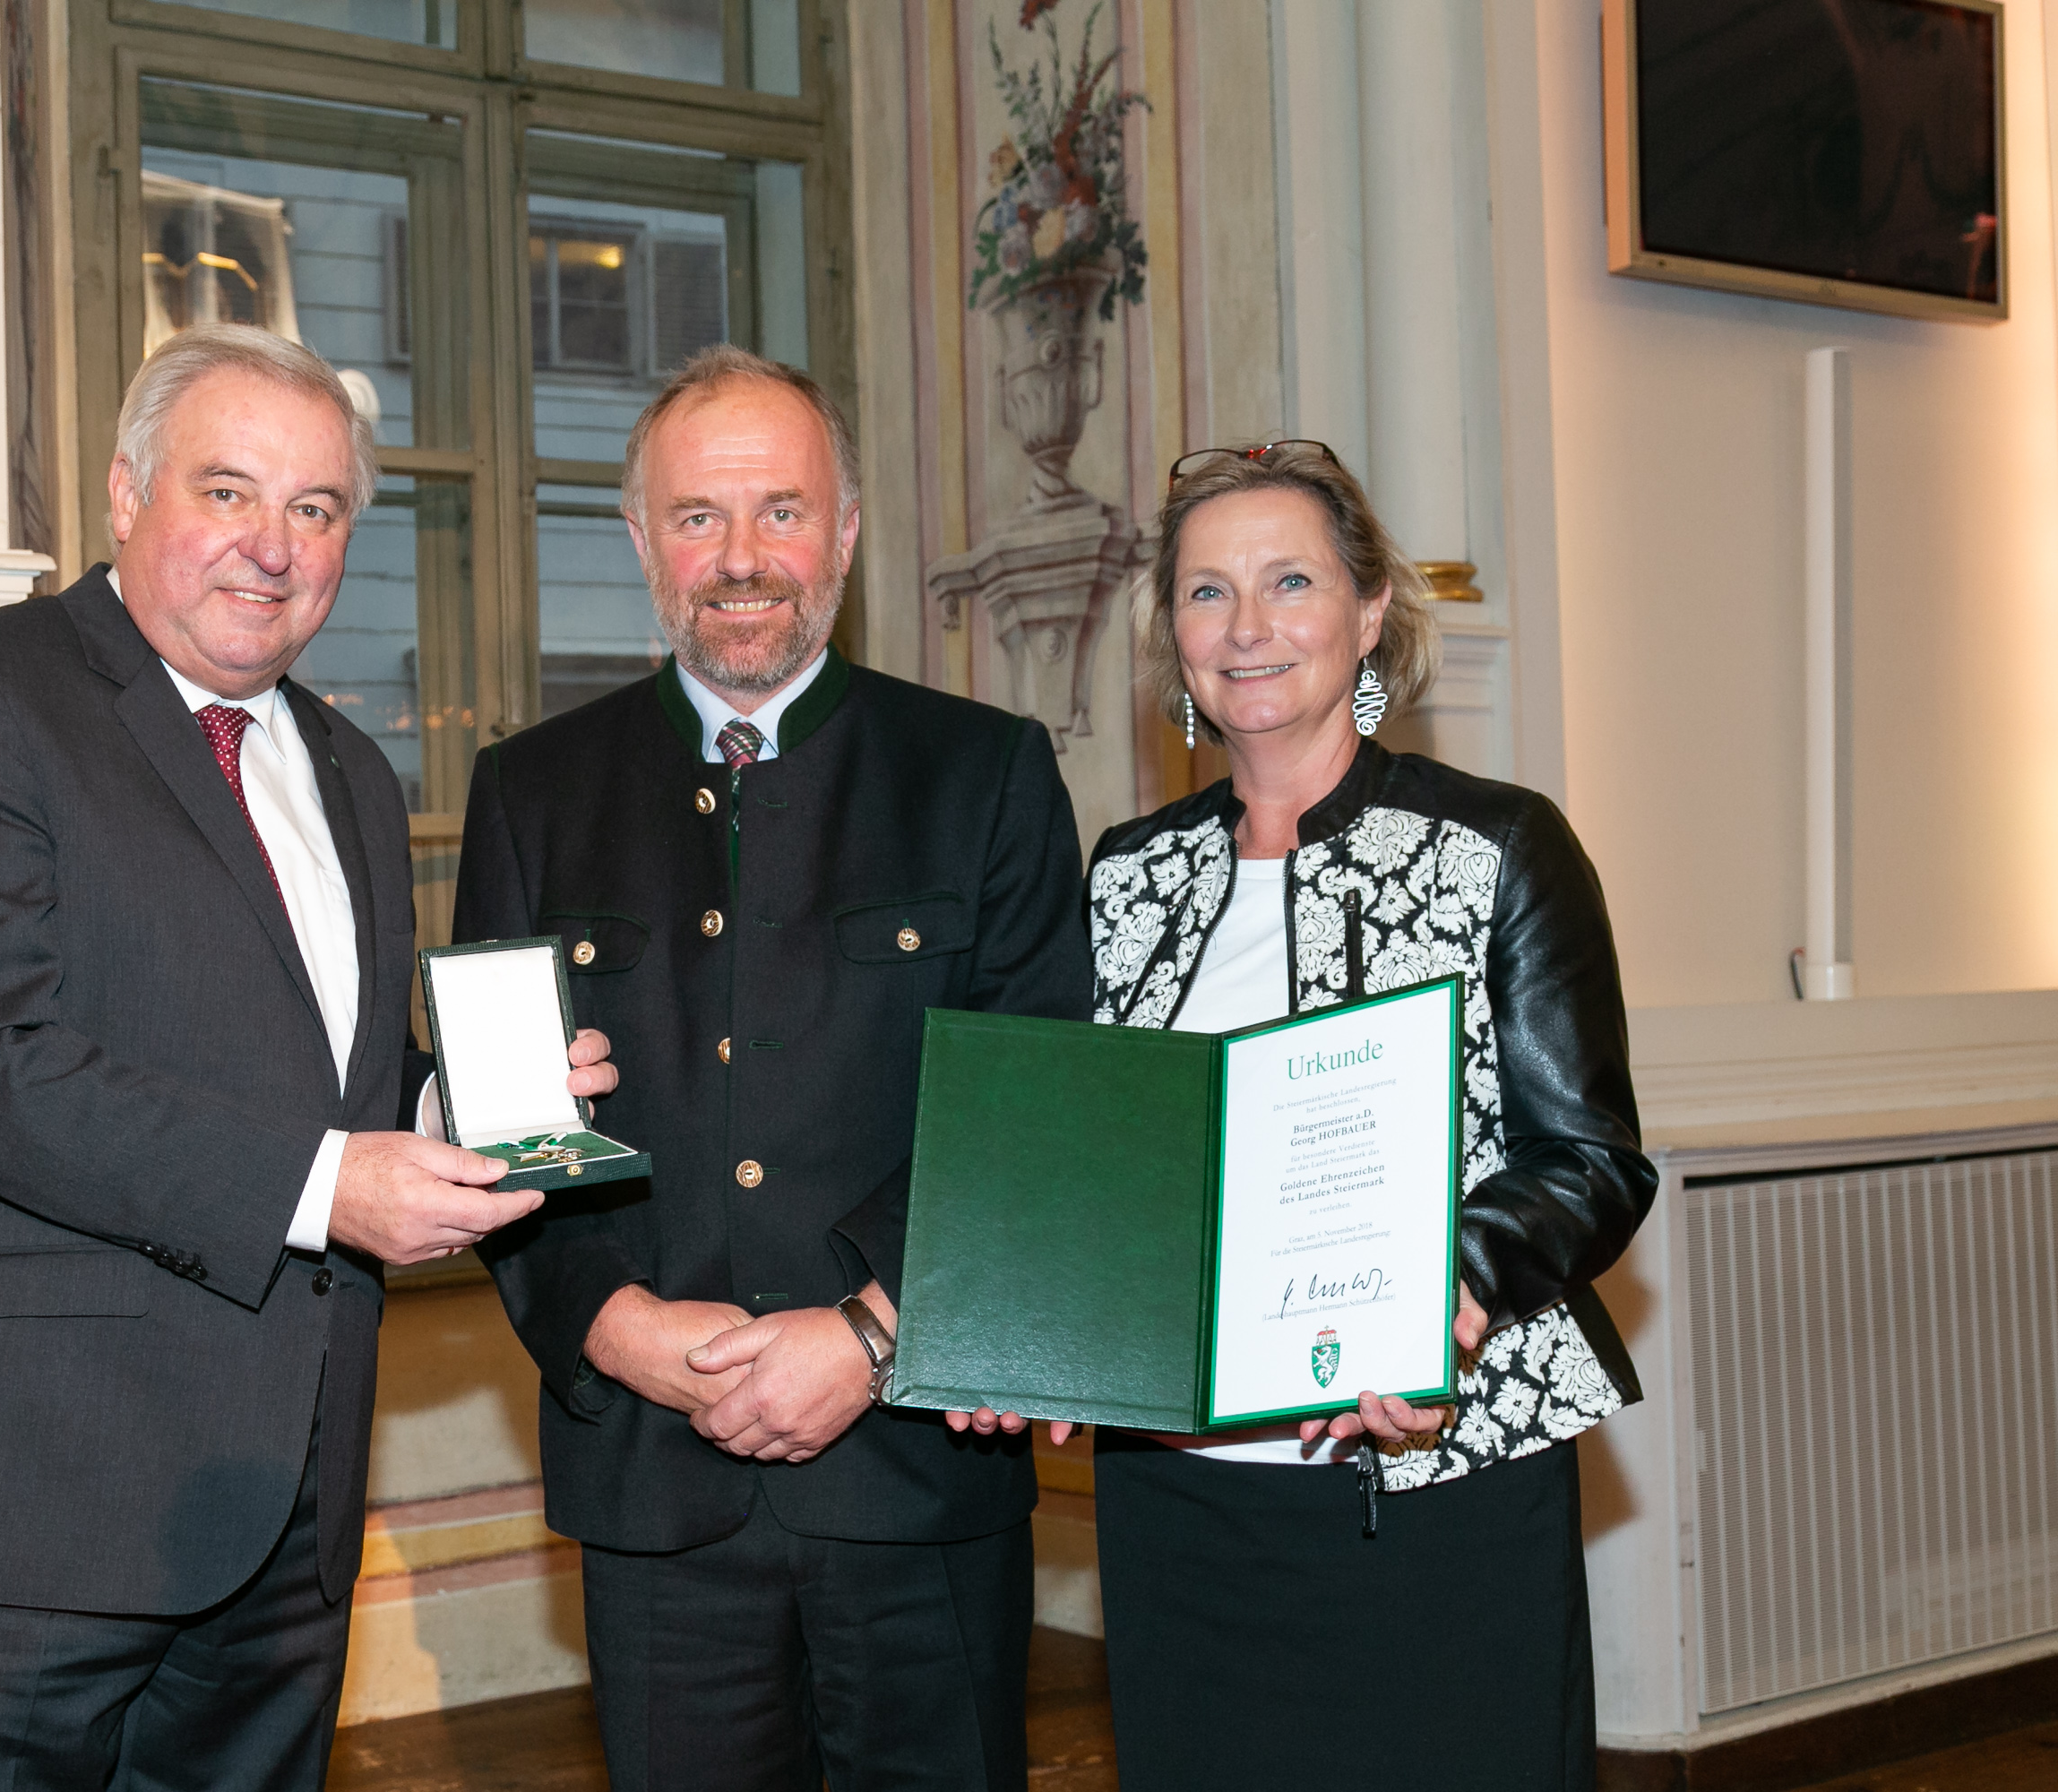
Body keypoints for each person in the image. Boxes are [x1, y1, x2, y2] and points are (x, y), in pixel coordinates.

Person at [0, 323, 615, 1789]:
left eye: (315, 510)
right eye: (226, 492)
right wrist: (327, 1186)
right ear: (125, 495)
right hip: (11, 1515)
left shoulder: (349, 768)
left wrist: (477, 1108)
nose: (272, 546)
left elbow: (334, 1091)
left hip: (277, 1525)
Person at [449, 346, 1091, 1791]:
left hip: (919, 1474)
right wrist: (612, 1326)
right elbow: (504, 1128)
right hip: (649, 1480)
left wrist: (870, 1333)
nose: (742, 560)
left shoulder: (985, 773)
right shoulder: (533, 791)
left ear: (847, 534)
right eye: (697, 518)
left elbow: (1038, 1103)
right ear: (639, 541)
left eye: (783, 513)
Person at [1057, 440, 1655, 1788]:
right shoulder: (1126, 878)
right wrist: (1038, 1326)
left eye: (1289, 582)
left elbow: (1594, 1161)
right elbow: (1098, 1164)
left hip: (1431, 1489)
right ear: (1175, 641)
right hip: (1183, 1500)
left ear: (1370, 611)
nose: (1248, 627)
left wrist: (1454, 1281)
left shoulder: (1497, 847)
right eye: (1206, 594)